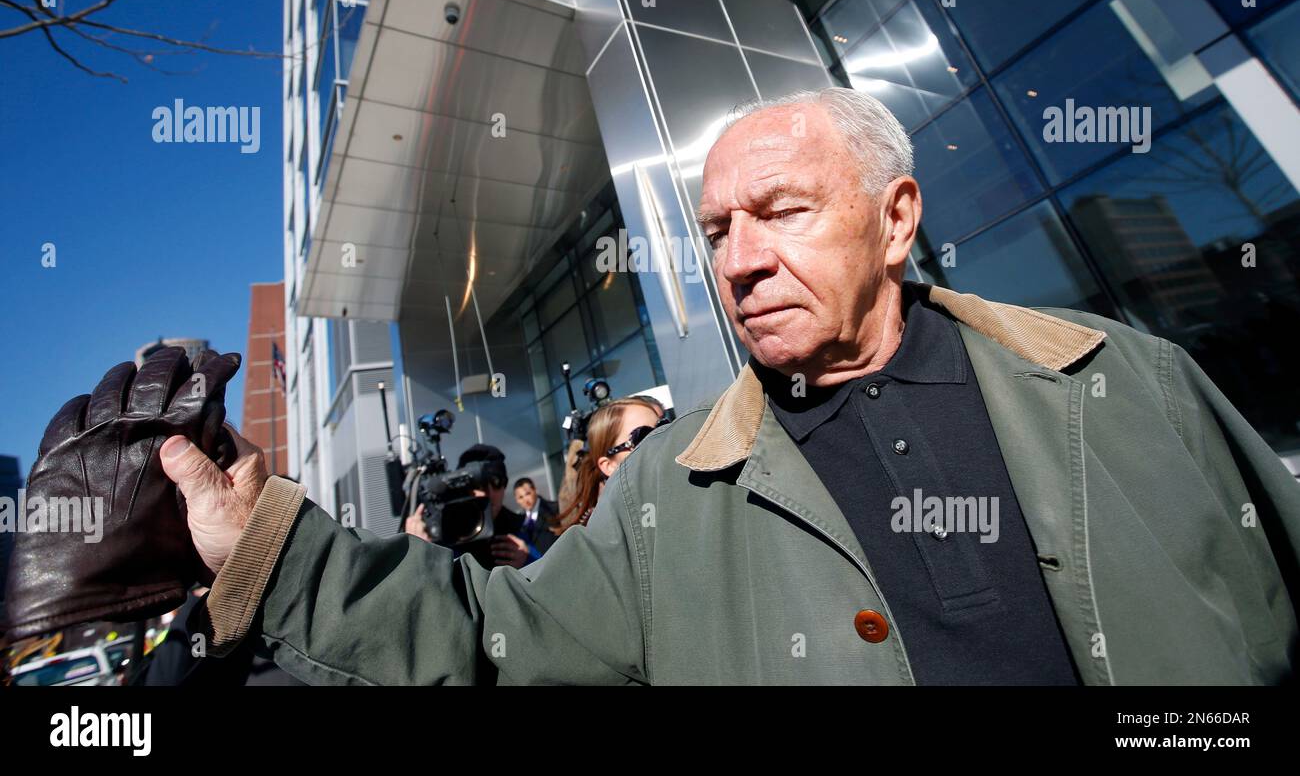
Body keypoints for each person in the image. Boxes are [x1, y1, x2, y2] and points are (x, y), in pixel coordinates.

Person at [154, 87, 1297, 684]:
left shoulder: (1125, 379)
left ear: (895, 219)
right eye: (716, 231)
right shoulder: (669, 493)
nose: (740, 258)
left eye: (783, 211)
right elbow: (489, 646)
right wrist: (277, 548)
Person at [403, 444, 531, 570]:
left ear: (505, 486)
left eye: (496, 482)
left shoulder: (519, 531)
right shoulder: (445, 531)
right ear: (464, 488)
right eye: (478, 483)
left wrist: (528, 563)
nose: (489, 493)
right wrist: (416, 555)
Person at [554, 398, 666, 534]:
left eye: (663, 427)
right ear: (608, 466)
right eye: (642, 436)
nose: (662, 440)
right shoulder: (607, 531)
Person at [513, 478, 559, 556]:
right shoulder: (518, 522)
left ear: (535, 490)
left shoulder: (555, 509)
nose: (525, 500)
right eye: (520, 497)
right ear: (516, 500)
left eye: (527, 494)